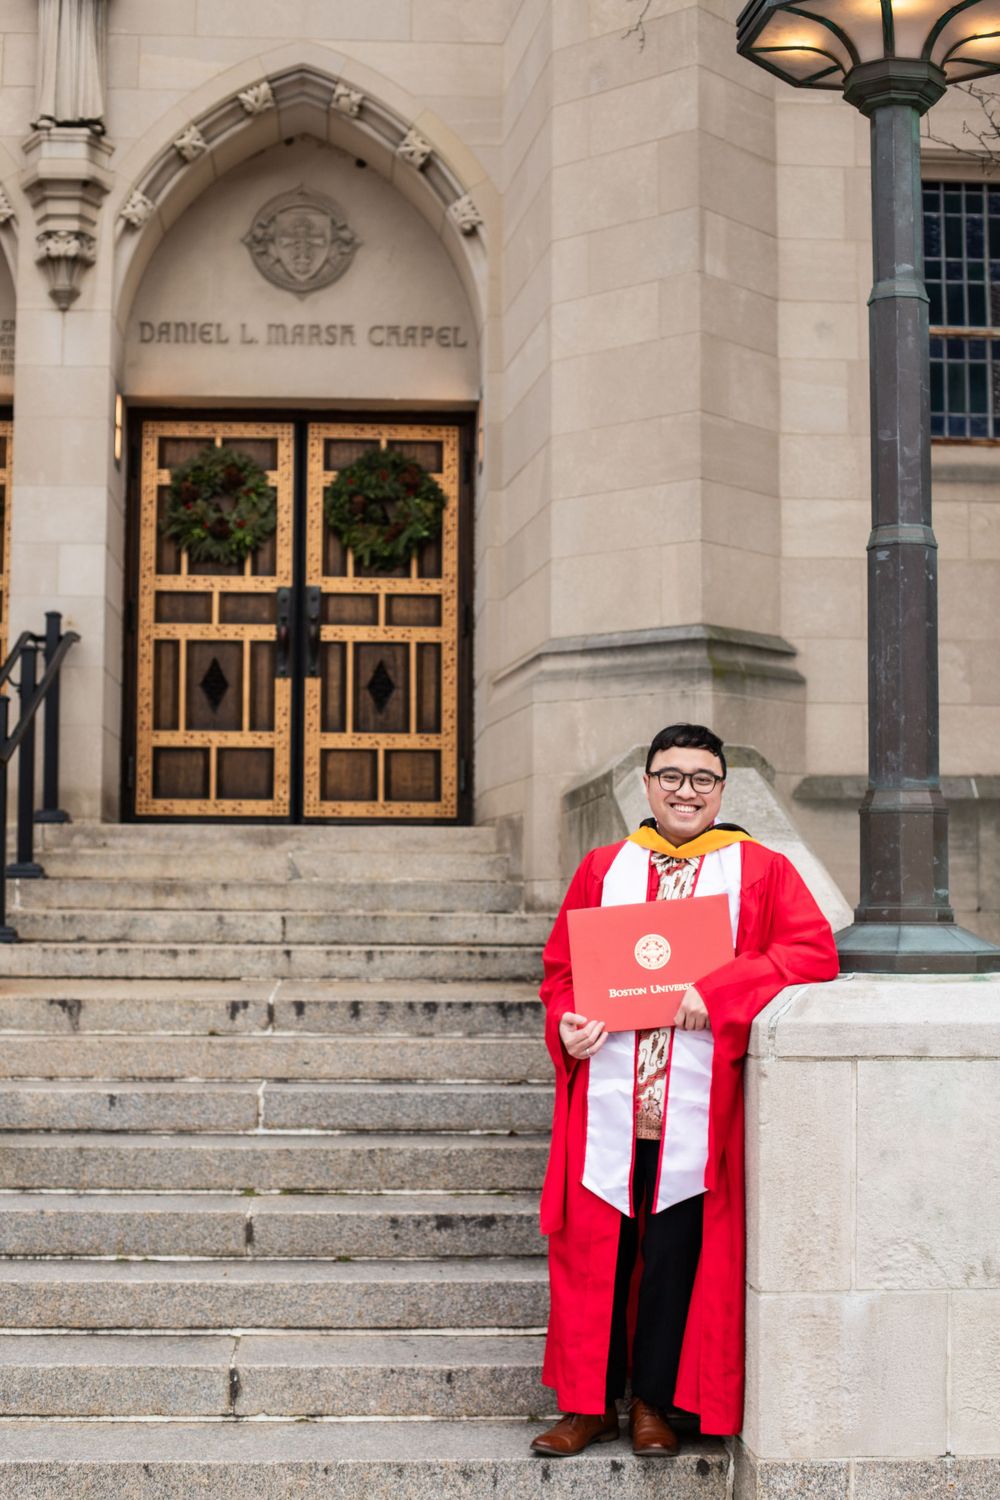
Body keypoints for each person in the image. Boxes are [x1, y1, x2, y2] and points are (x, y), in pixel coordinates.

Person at [531, 723, 839, 1458]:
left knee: (674, 1255)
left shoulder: (758, 870)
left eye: (703, 778)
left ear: (722, 790)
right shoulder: (605, 869)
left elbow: (811, 950)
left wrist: (721, 985)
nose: (686, 791)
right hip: (610, 1103)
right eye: (671, 776)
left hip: (695, 1113)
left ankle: (653, 1406)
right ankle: (586, 1406)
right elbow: (560, 974)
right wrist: (564, 1027)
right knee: (595, 1253)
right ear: (646, 784)